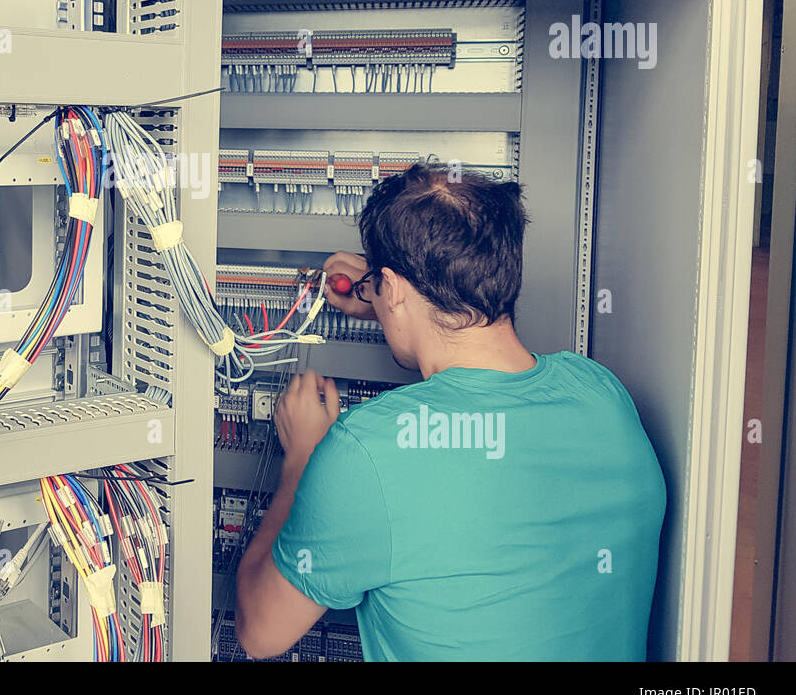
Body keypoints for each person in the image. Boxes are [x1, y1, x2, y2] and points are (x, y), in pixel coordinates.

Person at [234, 164, 666, 661]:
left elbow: (259, 633)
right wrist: (392, 299)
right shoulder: (600, 392)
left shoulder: (368, 454)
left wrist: (302, 461)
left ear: (392, 285)